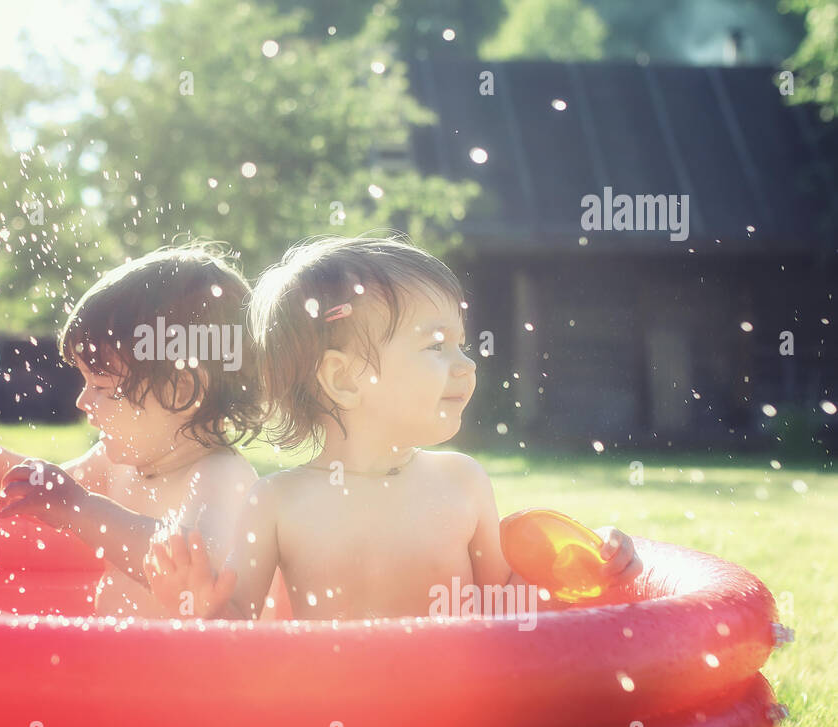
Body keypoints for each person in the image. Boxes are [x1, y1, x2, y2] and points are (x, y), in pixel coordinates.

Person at [144, 234, 640, 620]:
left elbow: (507, 606)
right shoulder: (277, 503)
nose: (467, 364)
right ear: (343, 377)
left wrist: (587, 564)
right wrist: (200, 607)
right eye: (435, 345)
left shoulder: (462, 482)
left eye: (461, 343)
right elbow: (242, 631)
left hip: (450, 725)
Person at [0, 244, 284, 617]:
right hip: (117, 664)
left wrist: (81, 508)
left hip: (186, 673)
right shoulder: (114, 463)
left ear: (180, 391)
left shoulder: (221, 477)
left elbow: (190, 561)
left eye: (103, 388)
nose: (83, 401)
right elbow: (39, 492)